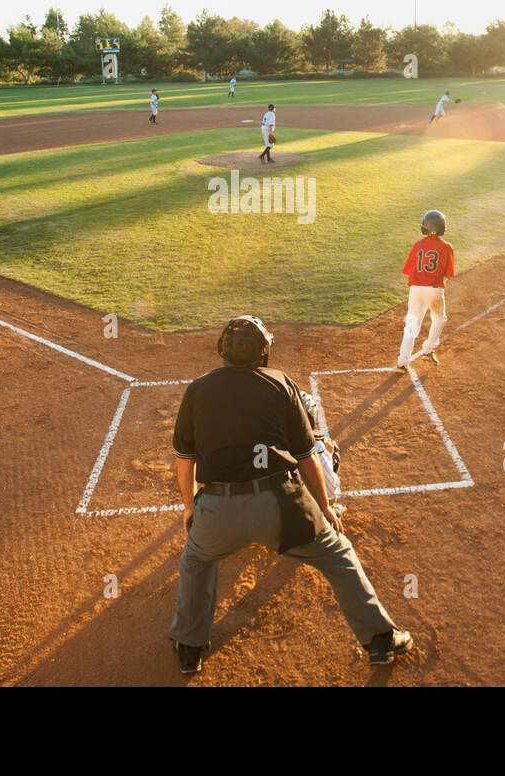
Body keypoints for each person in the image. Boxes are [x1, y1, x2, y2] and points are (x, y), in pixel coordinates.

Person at [169, 315, 411, 675]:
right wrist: (325, 508)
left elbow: (184, 461)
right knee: (338, 556)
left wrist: (191, 509)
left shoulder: (197, 389)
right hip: (280, 507)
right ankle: (379, 641)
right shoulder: (281, 384)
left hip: (216, 512)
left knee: (195, 562)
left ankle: (189, 647)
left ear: (222, 349)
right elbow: (306, 456)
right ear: (264, 351)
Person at [396, 209, 454, 371]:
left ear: (424, 227)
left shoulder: (418, 245)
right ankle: (428, 350)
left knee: (412, 325)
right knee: (439, 319)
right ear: (442, 227)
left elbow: (408, 270)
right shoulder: (447, 247)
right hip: (435, 290)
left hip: (416, 290)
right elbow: (448, 274)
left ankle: (402, 361)